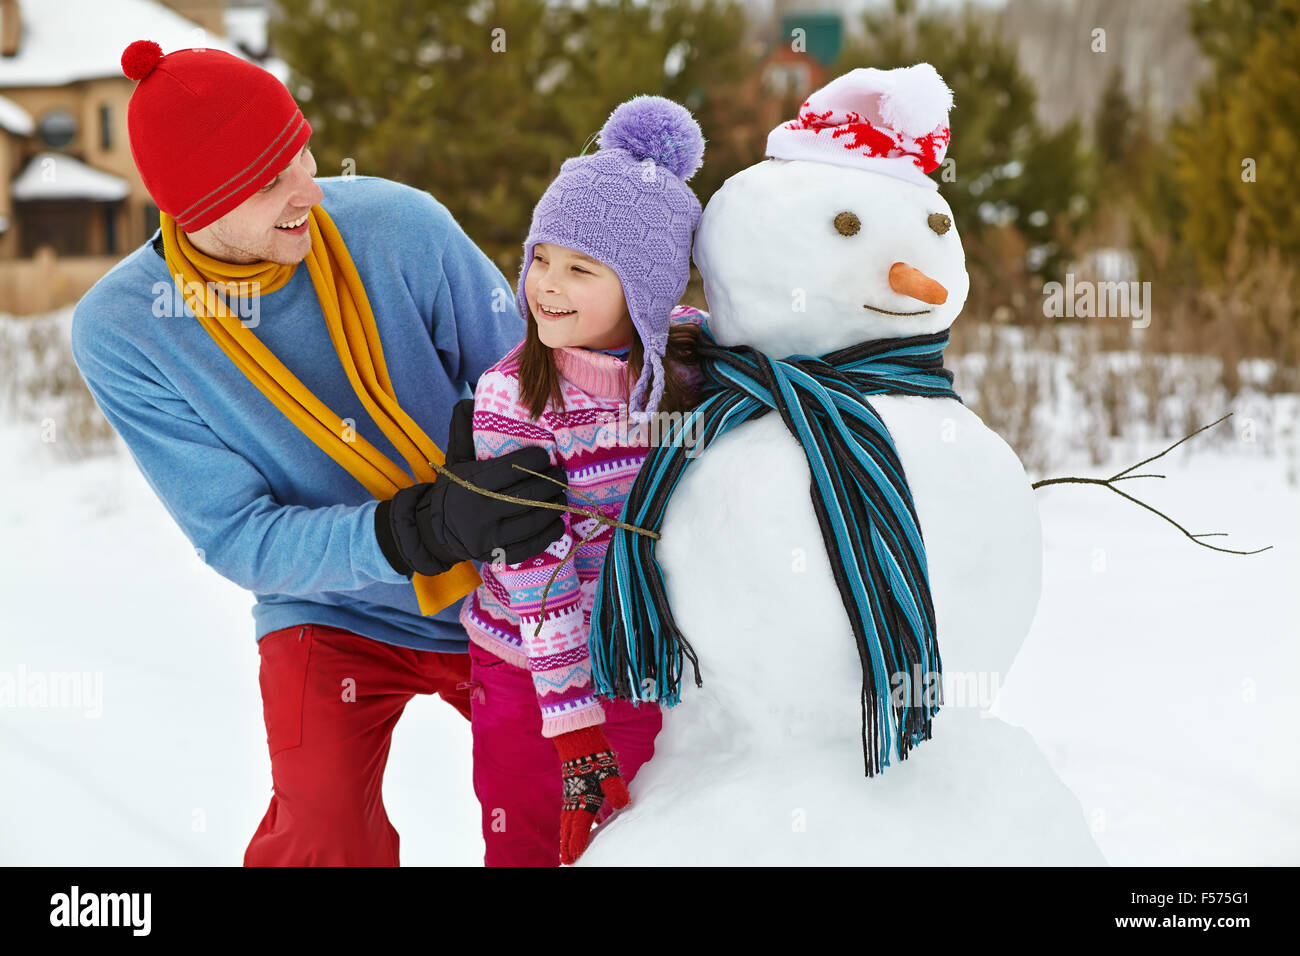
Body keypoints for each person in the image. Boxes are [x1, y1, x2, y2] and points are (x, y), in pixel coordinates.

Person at [70, 40, 567, 866]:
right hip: (333, 606)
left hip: (502, 587)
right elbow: (238, 536)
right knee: (324, 831)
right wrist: (407, 535)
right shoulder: (126, 332)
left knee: (572, 793)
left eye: (300, 150)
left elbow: (546, 391)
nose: (308, 189)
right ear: (195, 208)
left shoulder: (399, 227)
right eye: (269, 181)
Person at [457, 95, 709, 866]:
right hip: (529, 675)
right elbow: (538, 572)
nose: (546, 285)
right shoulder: (516, 397)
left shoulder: (689, 365)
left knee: (628, 847)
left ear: (644, 296)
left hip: (638, 667)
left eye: (579, 268)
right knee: (531, 844)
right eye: (540, 258)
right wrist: (572, 726)